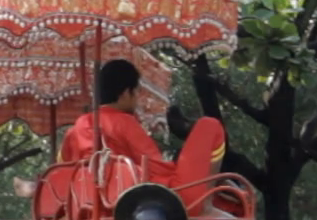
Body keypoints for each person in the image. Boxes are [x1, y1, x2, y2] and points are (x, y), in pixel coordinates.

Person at [60, 59, 226, 182]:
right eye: (137, 92)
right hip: (135, 200)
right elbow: (157, 168)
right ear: (126, 93)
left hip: (84, 203)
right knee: (211, 126)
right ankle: (206, 204)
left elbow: (62, 168)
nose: (137, 100)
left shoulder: (76, 128)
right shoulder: (124, 123)